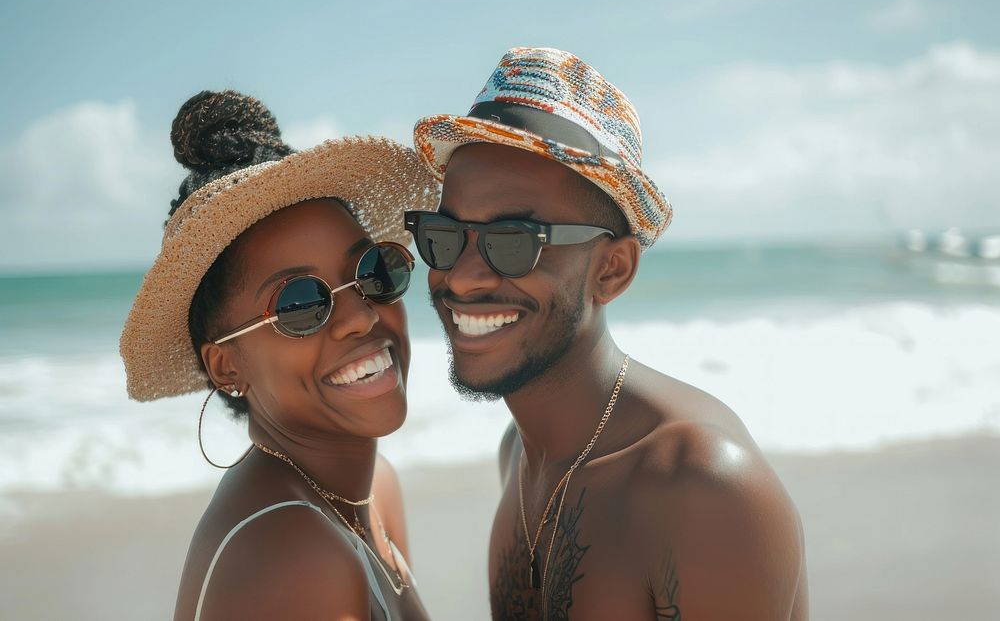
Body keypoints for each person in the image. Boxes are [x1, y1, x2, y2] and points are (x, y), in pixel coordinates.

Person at [407, 47, 808, 619]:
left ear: (611, 270)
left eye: (515, 241)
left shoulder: (700, 486)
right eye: (444, 235)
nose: (463, 278)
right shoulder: (519, 453)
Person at [120, 90, 439, 620]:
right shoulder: (296, 552)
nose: (360, 316)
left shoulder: (372, 491)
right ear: (227, 367)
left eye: (372, 272)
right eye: (300, 303)